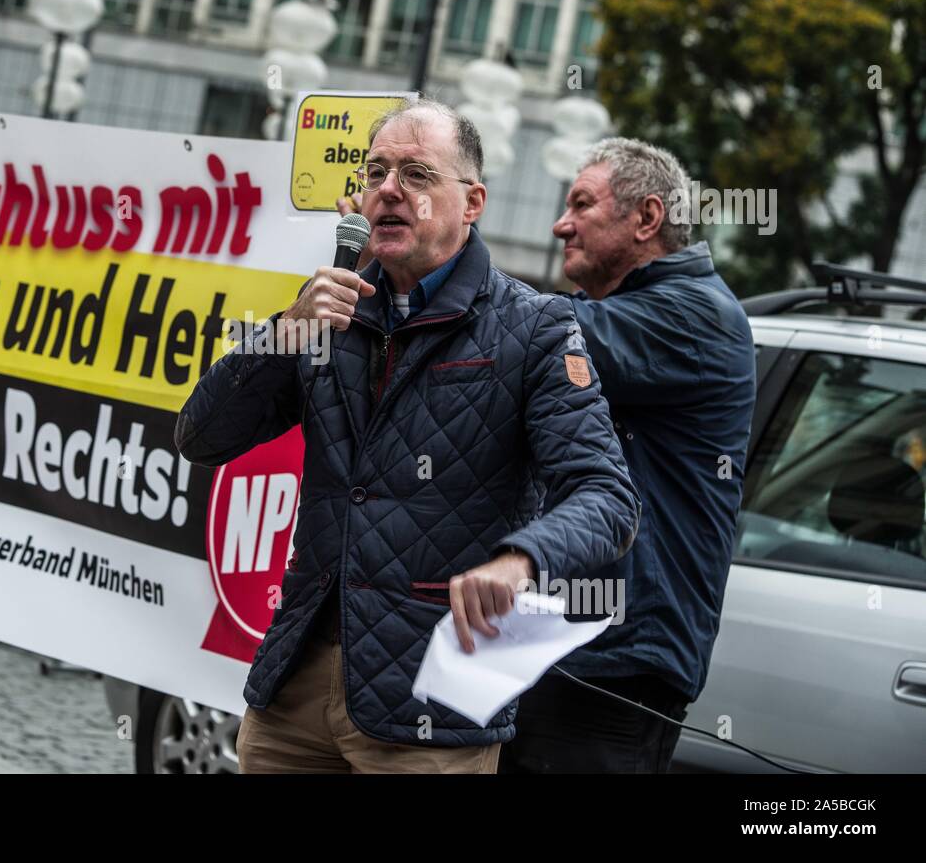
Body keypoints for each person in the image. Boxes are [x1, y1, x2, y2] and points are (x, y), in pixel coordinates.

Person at [175, 99, 640, 773]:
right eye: (376, 171)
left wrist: (521, 561)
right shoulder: (327, 313)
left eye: (417, 174)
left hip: (430, 705)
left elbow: (607, 495)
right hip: (295, 688)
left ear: (472, 200)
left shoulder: (535, 329)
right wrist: (285, 332)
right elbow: (201, 435)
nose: (388, 189)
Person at [501, 137, 755, 774]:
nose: (561, 224)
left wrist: (436, 246)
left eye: (581, 204)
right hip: (572, 648)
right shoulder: (634, 310)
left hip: (616, 668)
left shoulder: (695, 316)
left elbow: (531, 333)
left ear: (647, 218)